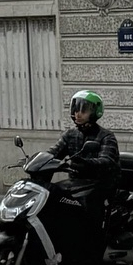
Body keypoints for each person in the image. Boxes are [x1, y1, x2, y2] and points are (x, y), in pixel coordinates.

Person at [49, 91, 121, 227]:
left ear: (95, 112)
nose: (78, 114)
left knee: (88, 210)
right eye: (76, 109)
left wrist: (86, 163)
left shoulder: (106, 136)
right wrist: (37, 160)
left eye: (84, 110)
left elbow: (106, 160)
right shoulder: (70, 135)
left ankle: (93, 236)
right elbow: (53, 152)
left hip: (100, 183)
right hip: (76, 183)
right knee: (53, 195)